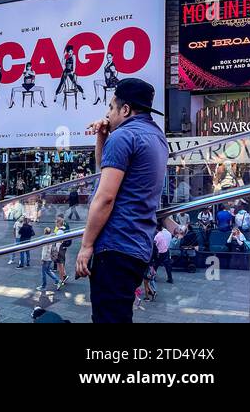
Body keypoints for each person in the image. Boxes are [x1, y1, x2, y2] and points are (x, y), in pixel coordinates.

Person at [76, 78, 168, 324]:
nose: (107, 113)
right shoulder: (157, 137)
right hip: (137, 245)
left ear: (125, 109)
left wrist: (86, 246)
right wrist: (103, 136)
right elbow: (106, 170)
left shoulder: (125, 137)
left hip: (115, 246)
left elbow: (105, 197)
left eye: (110, 107)